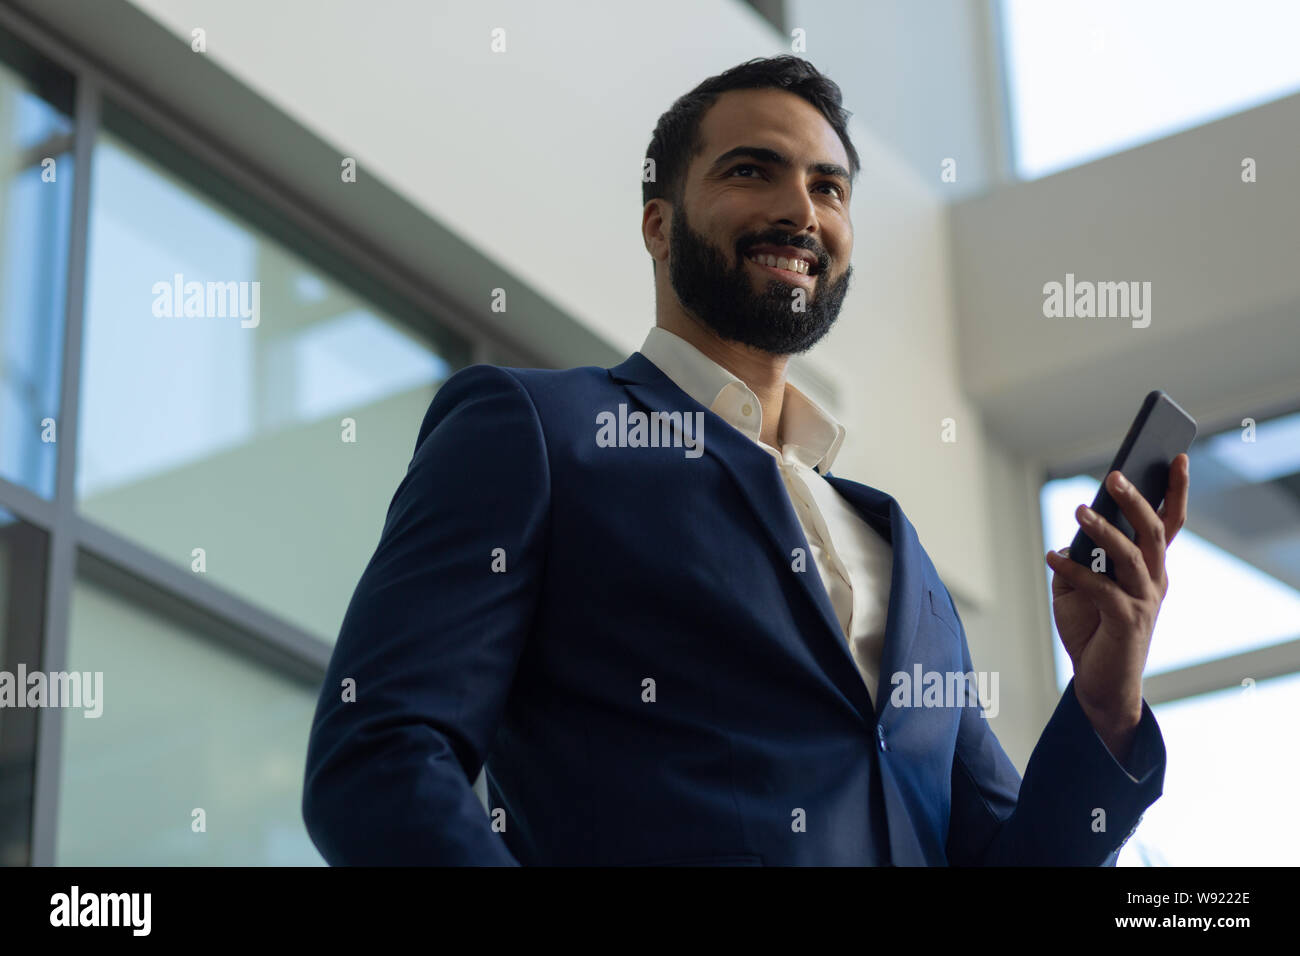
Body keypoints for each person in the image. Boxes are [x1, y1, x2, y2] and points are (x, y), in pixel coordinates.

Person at [302, 55, 1185, 866]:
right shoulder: (535, 430)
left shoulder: (895, 550)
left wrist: (1106, 701)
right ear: (658, 223)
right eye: (751, 169)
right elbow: (378, 753)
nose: (801, 209)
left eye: (828, 187)